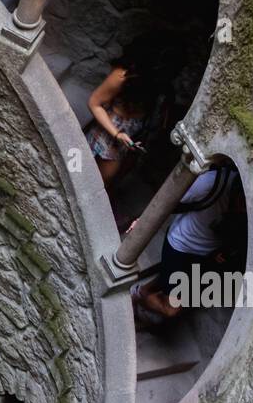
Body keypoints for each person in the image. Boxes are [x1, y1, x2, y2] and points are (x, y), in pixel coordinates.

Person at [131, 161, 242, 326]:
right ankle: (138, 296)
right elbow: (170, 200)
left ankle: (144, 292)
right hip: (181, 245)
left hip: (206, 254)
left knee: (169, 279)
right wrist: (144, 219)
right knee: (171, 308)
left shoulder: (248, 207)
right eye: (241, 204)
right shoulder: (210, 183)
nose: (243, 210)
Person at [86, 33, 175, 199]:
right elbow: (94, 102)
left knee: (98, 191)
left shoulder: (157, 90)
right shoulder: (122, 76)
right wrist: (117, 134)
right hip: (104, 137)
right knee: (83, 179)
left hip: (125, 146)